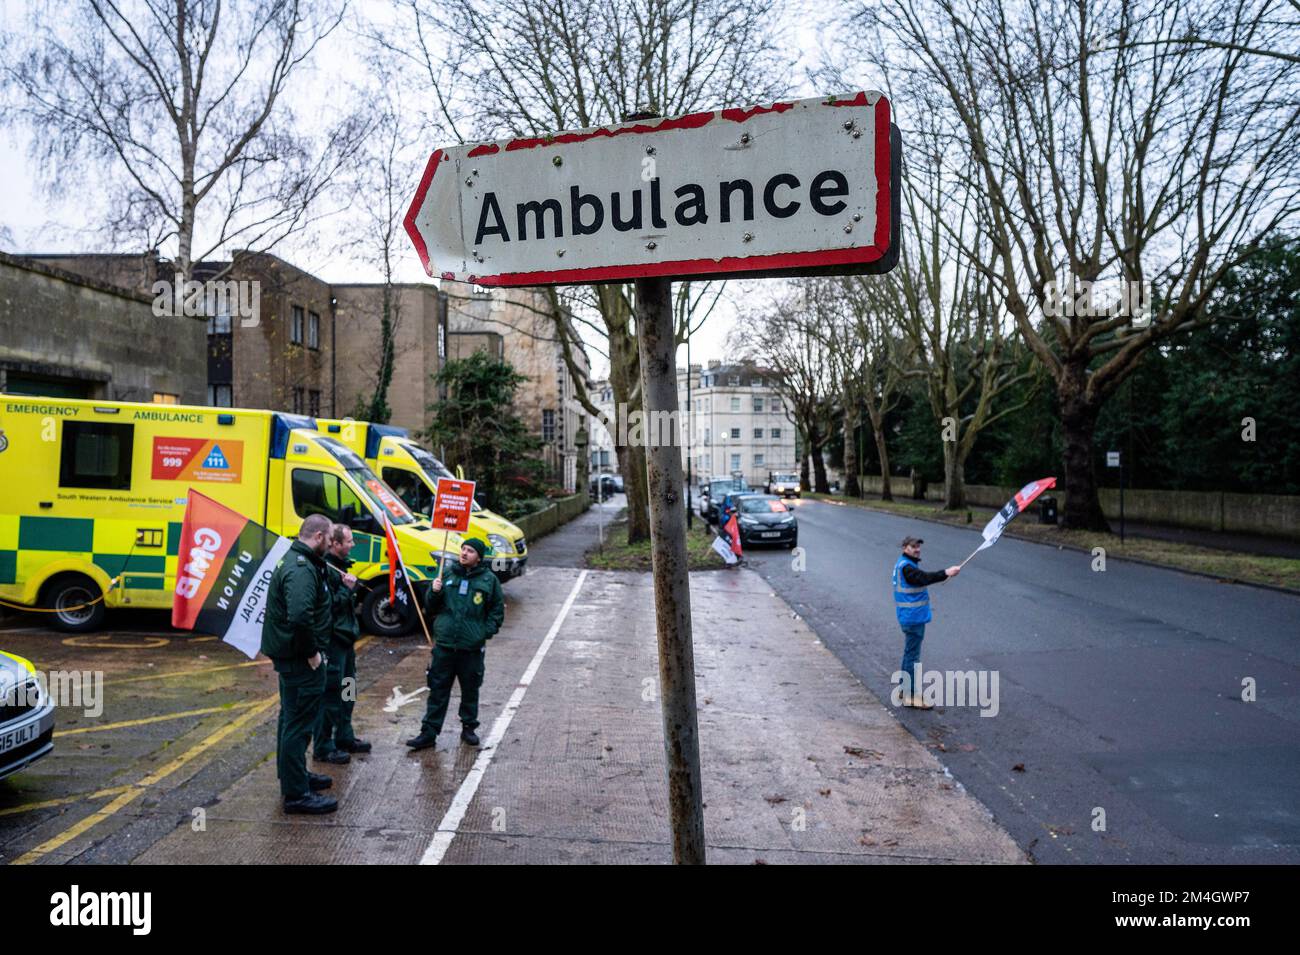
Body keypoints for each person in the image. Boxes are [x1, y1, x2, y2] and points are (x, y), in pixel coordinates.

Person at [260, 513, 337, 814]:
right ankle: (296, 794)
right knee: (298, 725)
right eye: (330, 540)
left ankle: (294, 777)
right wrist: (312, 654)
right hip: (299, 659)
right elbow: (301, 616)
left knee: (290, 719)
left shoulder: (297, 560)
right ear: (318, 537)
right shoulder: (301, 569)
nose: (330, 546)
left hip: (291, 657)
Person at [405, 537, 505, 752]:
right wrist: (434, 591)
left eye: (470, 551)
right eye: (463, 549)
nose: (464, 553)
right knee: (438, 689)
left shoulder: (489, 581)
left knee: (470, 689)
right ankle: (429, 732)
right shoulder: (447, 574)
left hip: (471, 649)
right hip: (445, 646)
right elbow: (430, 607)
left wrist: (483, 633)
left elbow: (497, 611)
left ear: (479, 556)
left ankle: (469, 727)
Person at [313, 523, 371, 764]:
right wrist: (347, 590)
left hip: (347, 642)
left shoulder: (341, 567)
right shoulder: (326, 570)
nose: (352, 545)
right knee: (331, 695)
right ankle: (324, 745)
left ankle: (344, 735)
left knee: (349, 689)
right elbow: (327, 607)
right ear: (335, 544)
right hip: (333, 643)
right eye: (348, 541)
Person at [893, 536, 960, 709]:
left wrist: (945, 575)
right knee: (912, 657)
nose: (917, 549)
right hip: (912, 617)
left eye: (918, 546)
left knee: (910, 654)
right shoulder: (906, 567)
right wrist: (946, 572)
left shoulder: (905, 564)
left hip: (911, 616)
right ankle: (910, 696)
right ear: (904, 548)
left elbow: (921, 579)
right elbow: (922, 578)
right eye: (913, 546)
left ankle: (904, 690)